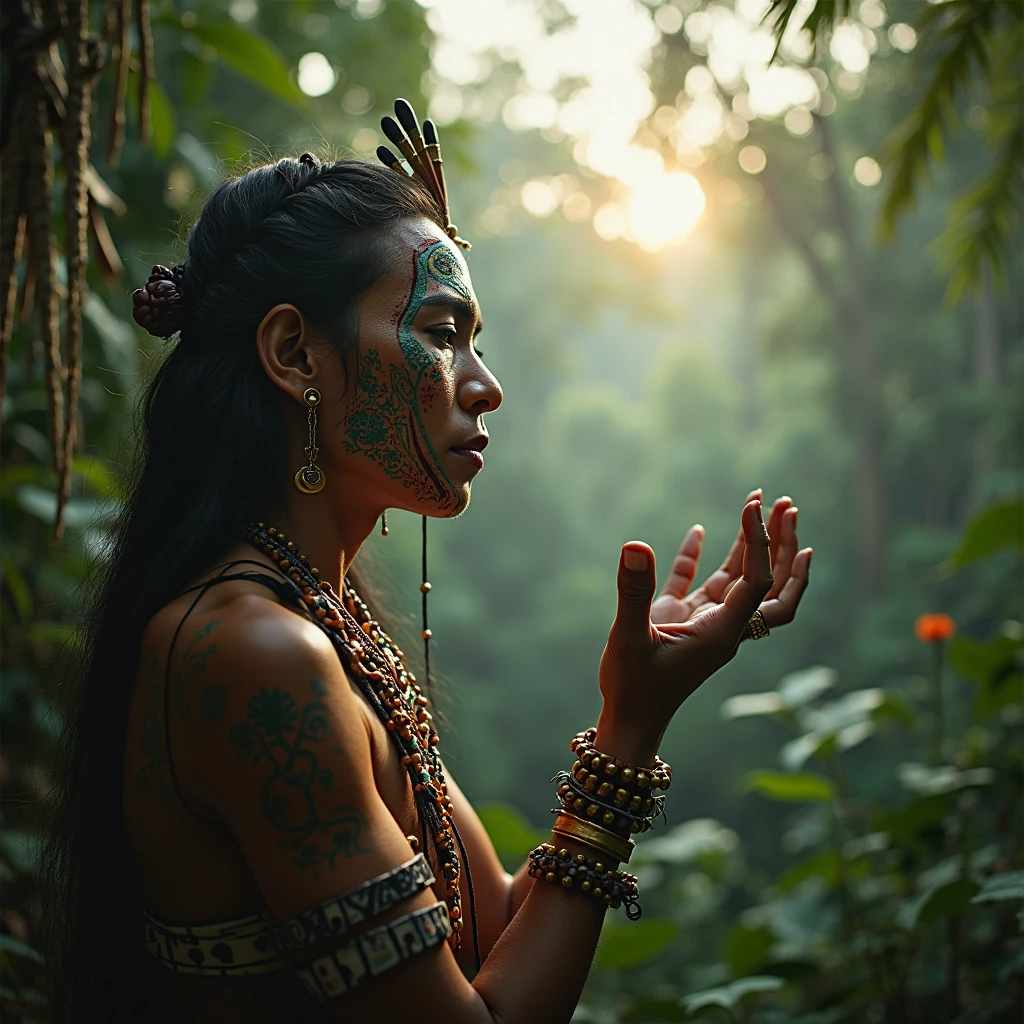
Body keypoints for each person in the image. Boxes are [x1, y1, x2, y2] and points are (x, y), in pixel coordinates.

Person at [42, 107, 811, 1024]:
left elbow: (494, 941)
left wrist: (629, 714)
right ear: (294, 354)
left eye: (473, 338)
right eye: (442, 332)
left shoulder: (325, 620)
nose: (485, 384)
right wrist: (629, 729)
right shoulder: (256, 655)